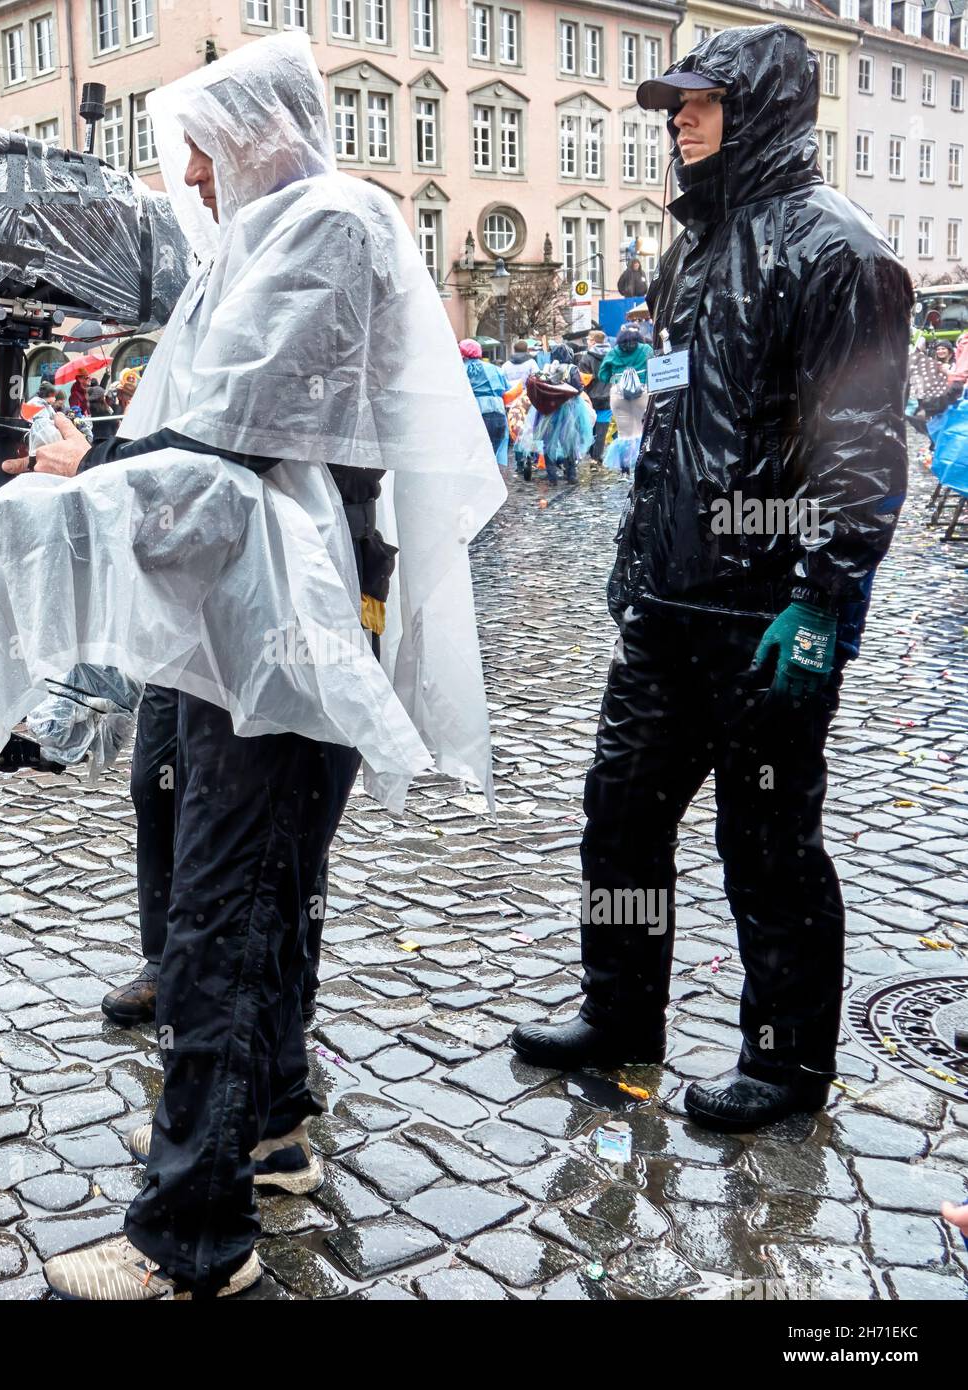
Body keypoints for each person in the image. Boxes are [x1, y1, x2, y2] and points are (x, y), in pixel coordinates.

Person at [0, 31, 501, 1298]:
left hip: (292, 632)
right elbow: (193, 435)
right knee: (264, 888)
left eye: (199, 145)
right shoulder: (264, 235)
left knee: (223, 912)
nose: (188, 176)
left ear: (255, 132)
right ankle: (271, 1125)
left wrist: (90, 475)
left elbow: (234, 441)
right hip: (239, 631)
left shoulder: (329, 226)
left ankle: (192, 1236)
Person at [510, 25, 913, 1133]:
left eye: (697, 101)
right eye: (670, 104)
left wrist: (822, 594)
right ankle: (620, 1009)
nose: (674, 120)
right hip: (672, 606)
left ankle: (784, 1063)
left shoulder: (838, 251)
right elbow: (670, 430)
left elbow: (867, 448)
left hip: (770, 610)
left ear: (761, 107)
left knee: (767, 842)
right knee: (620, 819)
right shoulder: (692, 250)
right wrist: (637, 573)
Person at [460, 338, 518, 462]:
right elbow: (507, 389)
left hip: (475, 414)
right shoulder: (495, 369)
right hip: (498, 414)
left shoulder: (461, 370)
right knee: (493, 455)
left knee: (476, 455)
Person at [577, 330, 614, 463]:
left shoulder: (586, 358)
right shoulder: (613, 356)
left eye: (588, 340)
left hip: (590, 398)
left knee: (590, 427)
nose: (587, 342)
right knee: (602, 428)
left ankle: (591, 454)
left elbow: (582, 380)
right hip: (608, 397)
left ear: (593, 341)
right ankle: (596, 457)